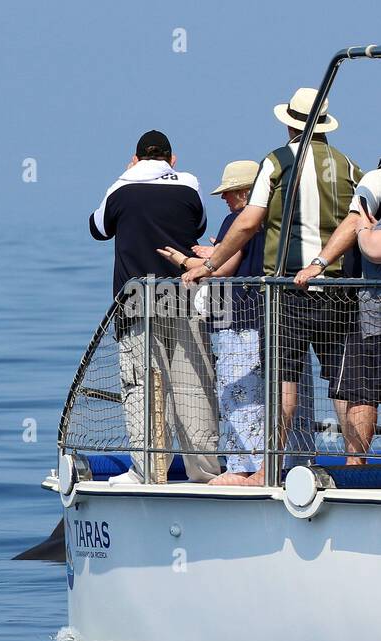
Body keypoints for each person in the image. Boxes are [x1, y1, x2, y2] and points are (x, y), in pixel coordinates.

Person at [182, 88, 361, 484]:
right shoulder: (349, 166)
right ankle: (355, 467)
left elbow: (249, 222)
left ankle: (268, 469)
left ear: (290, 124)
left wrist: (210, 262)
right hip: (339, 290)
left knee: (283, 384)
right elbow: (358, 222)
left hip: (287, 290)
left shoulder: (277, 162)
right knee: (345, 386)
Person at [90, 130, 218, 483]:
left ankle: (149, 470)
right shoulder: (189, 185)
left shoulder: (121, 187)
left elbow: (98, 228)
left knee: (143, 385)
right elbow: (200, 224)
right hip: (187, 295)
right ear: (172, 159)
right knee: (195, 386)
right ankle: (205, 471)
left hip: (137, 300)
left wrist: (127, 175)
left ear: (135, 159)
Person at [159, 160, 265, 482]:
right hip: (267, 318)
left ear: (244, 192)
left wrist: (183, 261)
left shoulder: (238, 220)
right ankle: (274, 462)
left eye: (229, 192)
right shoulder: (271, 223)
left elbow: (223, 268)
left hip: (240, 319)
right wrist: (213, 251)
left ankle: (243, 467)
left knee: (237, 393)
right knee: (268, 394)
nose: (224, 199)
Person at [295, 162, 381, 463]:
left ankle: (355, 464)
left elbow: (370, 245)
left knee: (360, 391)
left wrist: (318, 263)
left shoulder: (375, 179)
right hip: (369, 311)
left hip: (372, 313)